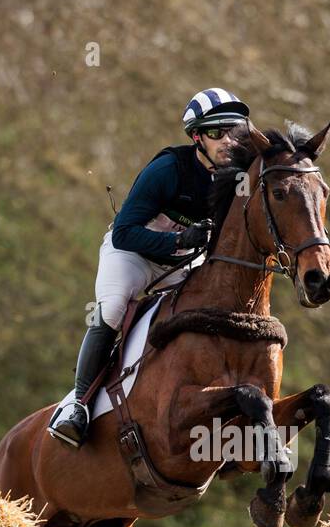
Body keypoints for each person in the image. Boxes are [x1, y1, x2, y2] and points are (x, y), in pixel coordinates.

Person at [48, 88, 250, 447]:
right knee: (110, 310)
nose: (228, 141)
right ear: (197, 137)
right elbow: (125, 234)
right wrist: (178, 240)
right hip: (133, 256)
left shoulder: (239, 175)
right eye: (217, 133)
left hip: (182, 264)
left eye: (235, 131)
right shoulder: (168, 170)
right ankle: (76, 406)